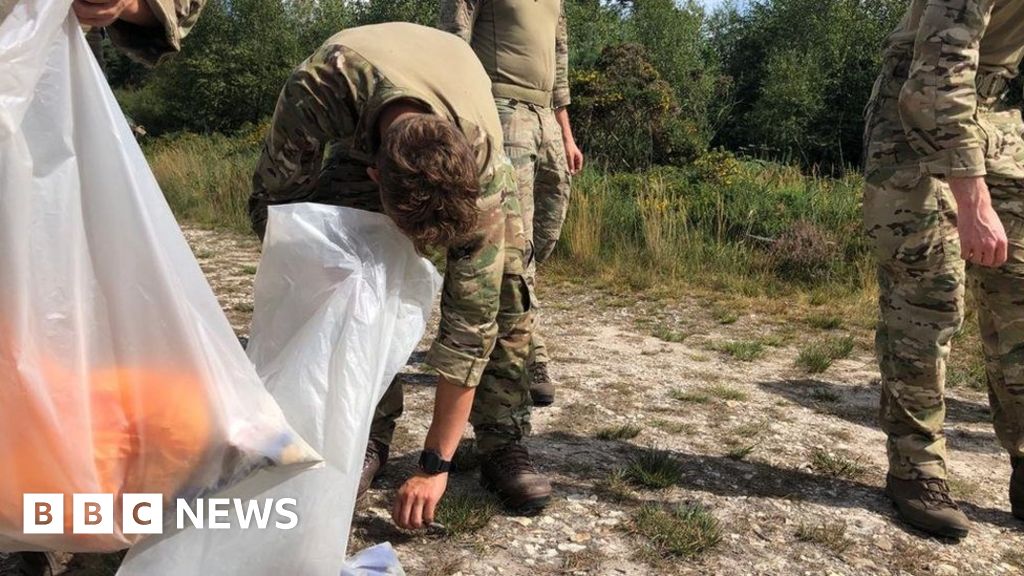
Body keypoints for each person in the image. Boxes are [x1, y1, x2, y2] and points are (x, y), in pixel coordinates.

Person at [249, 22, 551, 528]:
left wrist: (435, 464)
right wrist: (317, 289)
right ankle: (365, 429)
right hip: (360, 114)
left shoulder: (481, 162)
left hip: (463, 113)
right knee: (345, 271)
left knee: (505, 291)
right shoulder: (318, 91)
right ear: (375, 176)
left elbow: (471, 321)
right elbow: (277, 207)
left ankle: (503, 440)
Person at [863, 0, 1024, 539]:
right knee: (929, 296)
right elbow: (936, 72)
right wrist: (973, 202)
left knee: (1019, 294)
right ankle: (917, 470)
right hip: (918, 108)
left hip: (993, 113)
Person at [438, 0, 582, 408]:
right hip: (502, 111)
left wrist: (566, 134)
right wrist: (461, 120)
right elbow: (454, 44)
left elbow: (559, 64)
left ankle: (504, 325)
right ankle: (530, 354)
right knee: (517, 243)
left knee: (544, 235)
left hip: (546, 119)